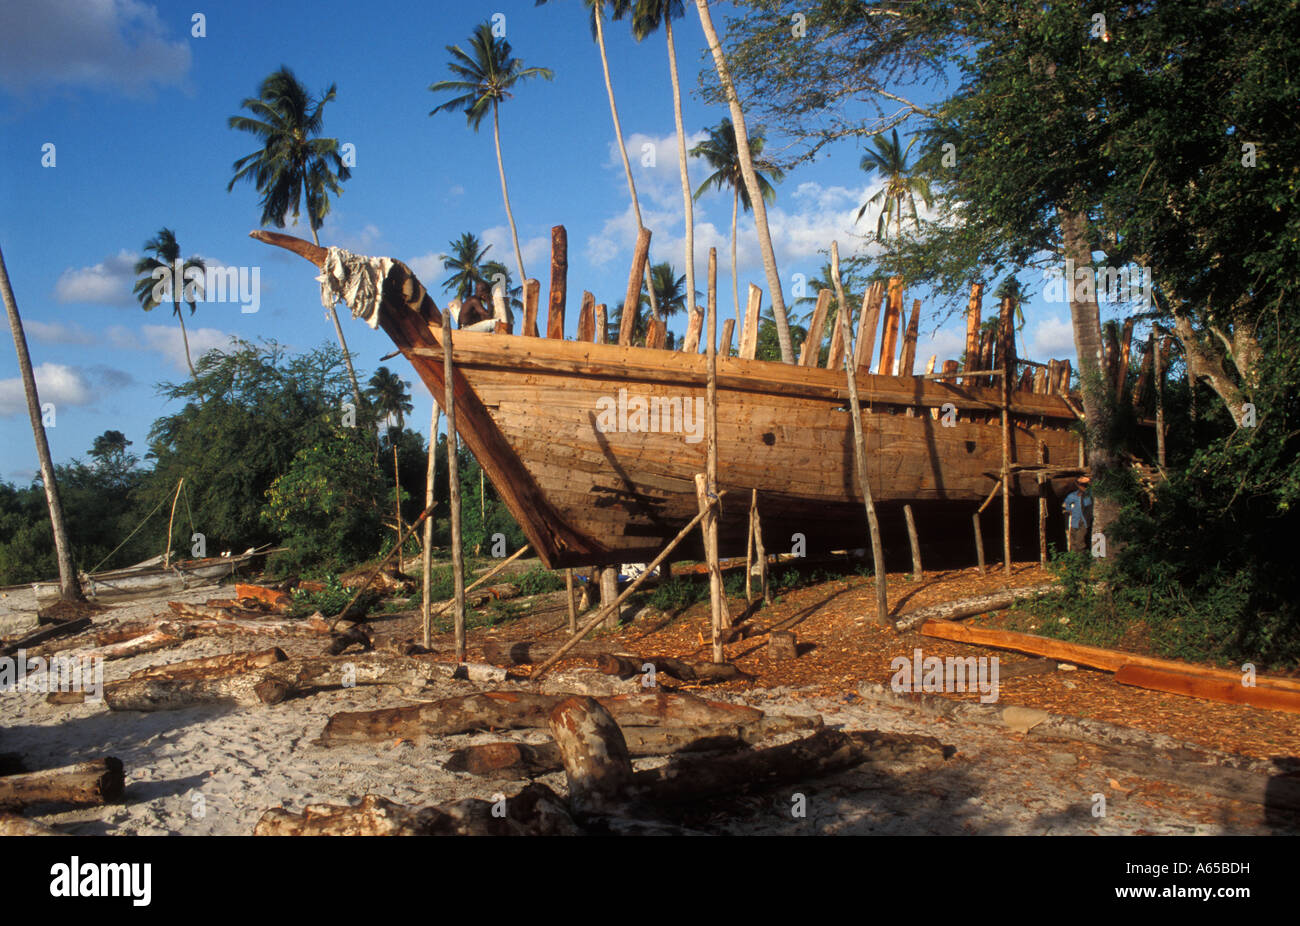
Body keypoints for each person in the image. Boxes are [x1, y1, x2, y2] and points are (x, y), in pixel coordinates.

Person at [1062, 476, 1093, 553]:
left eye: (1084, 484)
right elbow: (1065, 505)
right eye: (1081, 484)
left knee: (1080, 542)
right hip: (1074, 521)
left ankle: (1081, 561)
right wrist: (1068, 510)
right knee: (1073, 542)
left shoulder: (1089, 495)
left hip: (1084, 521)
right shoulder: (1073, 495)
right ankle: (1074, 561)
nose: (1082, 487)